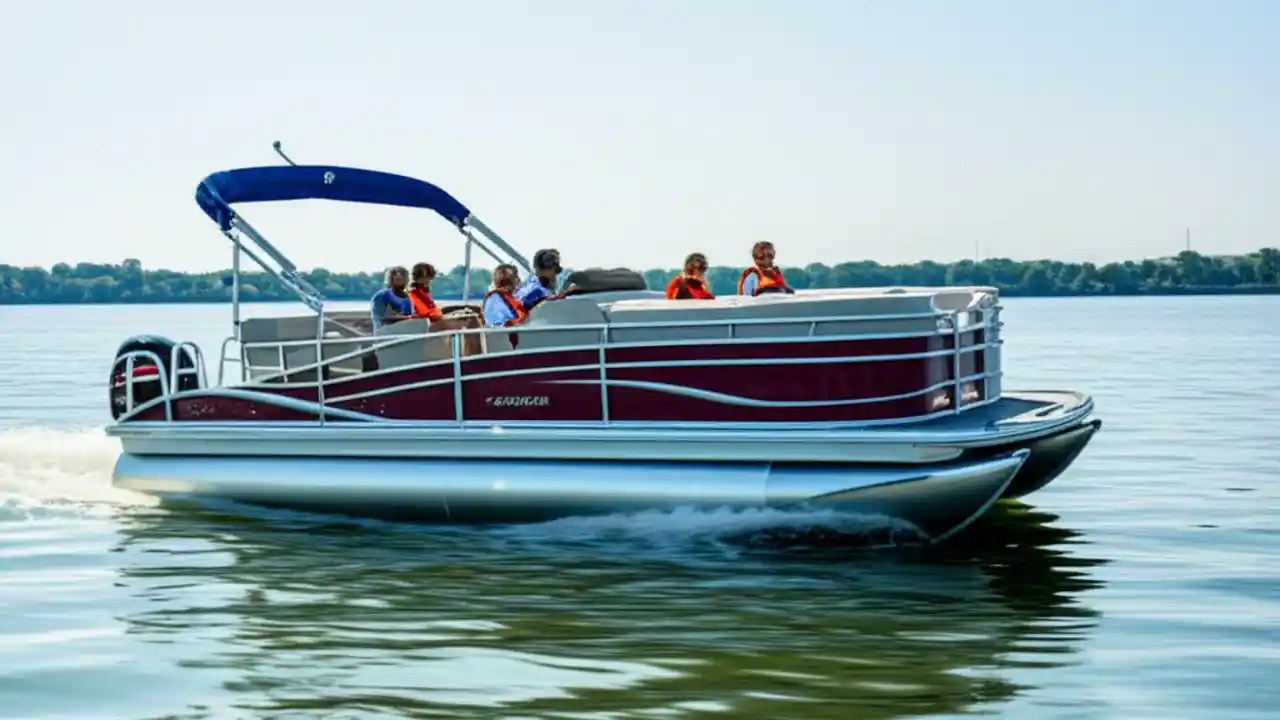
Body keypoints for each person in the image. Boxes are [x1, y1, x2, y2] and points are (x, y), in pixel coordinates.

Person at [513, 248, 568, 312]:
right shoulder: (533, 279)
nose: (537, 273)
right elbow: (518, 296)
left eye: (539, 270)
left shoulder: (564, 280)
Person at [482, 263, 528, 328]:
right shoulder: (494, 298)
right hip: (511, 332)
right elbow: (497, 326)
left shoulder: (510, 297)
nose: (519, 280)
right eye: (516, 277)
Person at [370, 265, 413, 330]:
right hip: (386, 330)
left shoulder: (408, 298)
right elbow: (378, 319)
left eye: (403, 276)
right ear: (390, 279)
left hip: (406, 329)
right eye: (397, 278)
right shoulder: (382, 296)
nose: (400, 279)